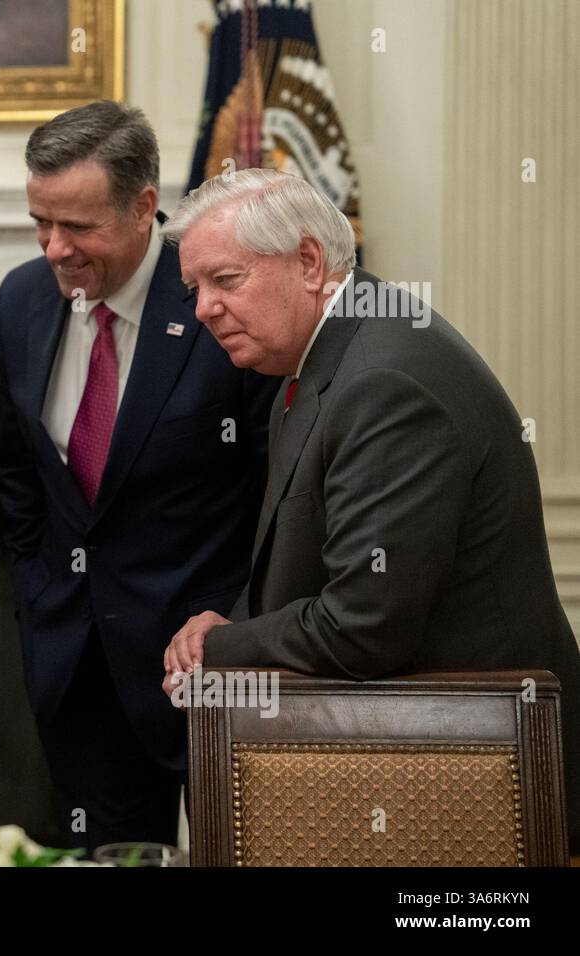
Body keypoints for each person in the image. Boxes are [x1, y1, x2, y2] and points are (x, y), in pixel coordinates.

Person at [160, 167, 580, 849]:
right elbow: (306, 559)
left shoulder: (383, 379)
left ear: (308, 261)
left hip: (470, 784)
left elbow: (363, 625)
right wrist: (234, 623)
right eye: (194, 288)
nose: (203, 308)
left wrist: (219, 643)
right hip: (415, 764)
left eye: (225, 280)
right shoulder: (333, 349)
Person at [0, 101, 280, 852]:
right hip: (75, 663)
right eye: (40, 223)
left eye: (79, 227)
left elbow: (278, 490)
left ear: (145, 207)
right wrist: (36, 584)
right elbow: (22, 471)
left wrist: (243, 621)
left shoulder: (220, 301)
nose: (55, 249)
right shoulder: (21, 299)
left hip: (209, 663)